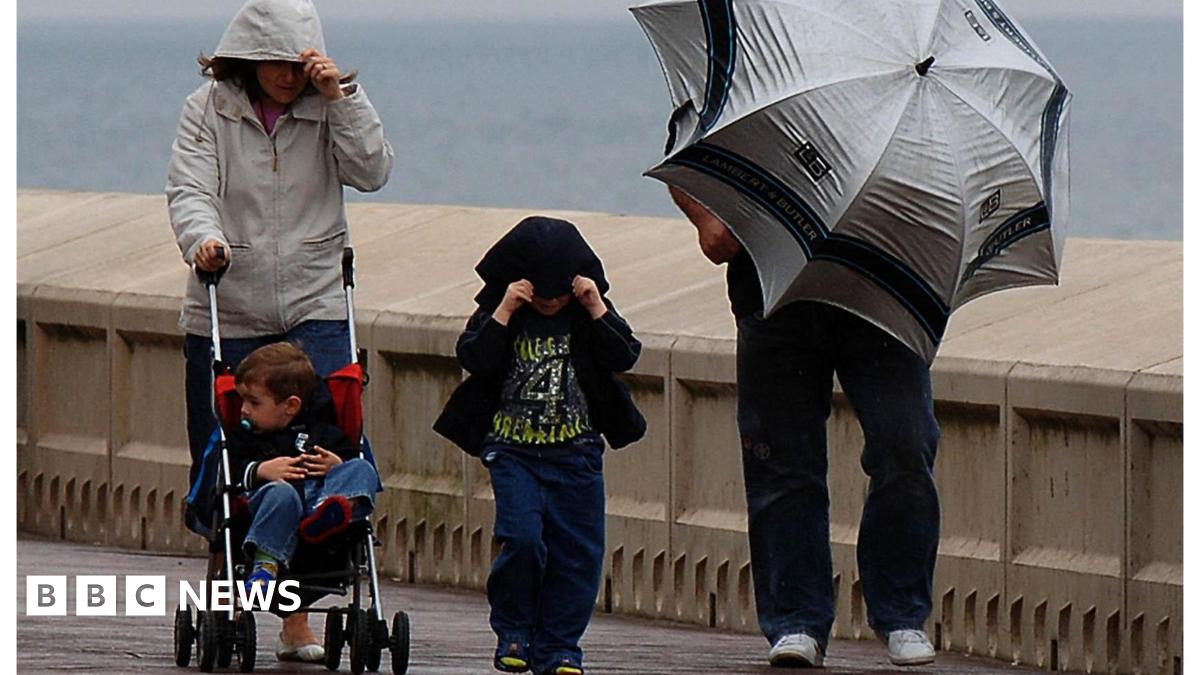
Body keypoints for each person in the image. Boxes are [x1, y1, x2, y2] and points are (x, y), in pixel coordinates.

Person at [166, 0, 393, 660]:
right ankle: (224, 588)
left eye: (299, 65)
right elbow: (190, 187)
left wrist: (342, 97)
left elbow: (373, 170)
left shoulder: (327, 103)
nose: (290, 77)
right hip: (228, 300)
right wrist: (204, 240)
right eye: (277, 64)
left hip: (315, 298)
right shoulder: (206, 109)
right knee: (227, 456)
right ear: (246, 57)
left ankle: (296, 618)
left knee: (329, 438)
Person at [669, 187, 940, 668]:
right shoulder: (740, 106)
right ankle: (797, 620)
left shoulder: (917, 111)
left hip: (885, 297)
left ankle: (901, 614)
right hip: (774, 297)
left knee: (907, 445)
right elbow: (691, 162)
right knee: (781, 468)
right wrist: (709, 212)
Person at [434, 217, 645, 675]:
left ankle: (559, 646)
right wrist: (506, 309)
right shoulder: (502, 310)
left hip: (578, 455)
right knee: (524, 539)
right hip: (513, 453)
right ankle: (513, 628)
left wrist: (594, 304)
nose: (551, 305)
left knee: (577, 554)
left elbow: (624, 355)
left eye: (559, 297)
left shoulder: (586, 313)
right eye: (543, 298)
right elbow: (474, 357)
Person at [229, 343, 379, 588]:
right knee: (281, 492)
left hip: (319, 498)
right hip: (273, 503)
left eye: (254, 403)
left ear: (290, 406)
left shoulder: (322, 431)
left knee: (362, 469)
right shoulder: (246, 438)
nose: (244, 410)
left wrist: (336, 464)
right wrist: (260, 470)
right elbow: (231, 471)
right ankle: (266, 564)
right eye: (242, 401)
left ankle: (329, 514)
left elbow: (348, 459)